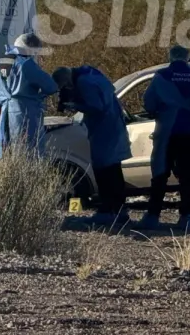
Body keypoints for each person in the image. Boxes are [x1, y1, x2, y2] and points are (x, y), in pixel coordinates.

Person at [137, 45, 190, 232]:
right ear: (187, 58)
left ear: (170, 57)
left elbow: (149, 102)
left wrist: (158, 112)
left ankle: (153, 216)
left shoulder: (161, 76)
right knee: (187, 176)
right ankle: (186, 217)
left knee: (160, 173)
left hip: (168, 131)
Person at [52, 65, 132, 226]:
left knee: (104, 170)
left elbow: (96, 107)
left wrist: (73, 105)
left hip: (104, 129)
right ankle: (119, 211)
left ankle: (108, 211)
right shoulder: (91, 73)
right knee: (113, 169)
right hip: (112, 124)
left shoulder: (83, 82)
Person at [0, 32, 58, 158]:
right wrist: (37, 96)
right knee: (28, 157)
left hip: (4, 120)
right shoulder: (26, 64)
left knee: (6, 158)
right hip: (25, 117)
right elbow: (51, 86)